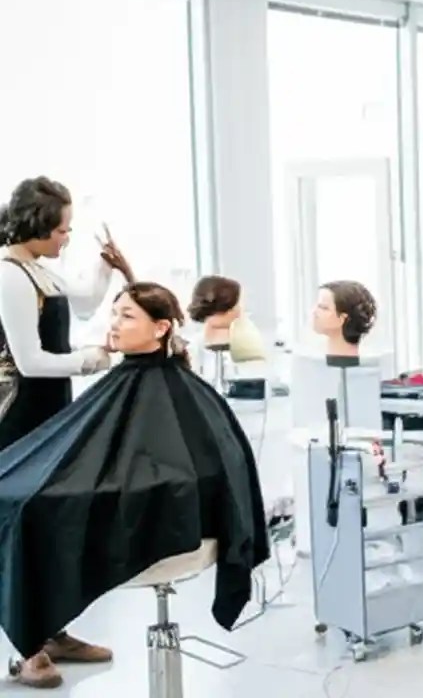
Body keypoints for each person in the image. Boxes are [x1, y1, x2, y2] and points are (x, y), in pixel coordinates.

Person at [0, 283, 268, 689]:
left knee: (31, 513)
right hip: (144, 498)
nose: (114, 324)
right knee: (23, 504)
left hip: (174, 527)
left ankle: (35, 642)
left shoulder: (180, 394)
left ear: (161, 328)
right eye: (115, 313)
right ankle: (46, 633)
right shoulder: (127, 385)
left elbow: (176, 473)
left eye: (127, 316)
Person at [0, 177, 134, 685]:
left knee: (52, 521)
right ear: (35, 226)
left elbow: (81, 302)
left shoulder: (39, 269)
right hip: (18, 413)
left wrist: (106, 265)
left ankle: (51, 629)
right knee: (22, 529)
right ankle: (27, 648)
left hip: (50, 408)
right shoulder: (9, 275)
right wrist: (91, 360)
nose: (66, 239)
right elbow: (30, 362)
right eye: (61, 230)